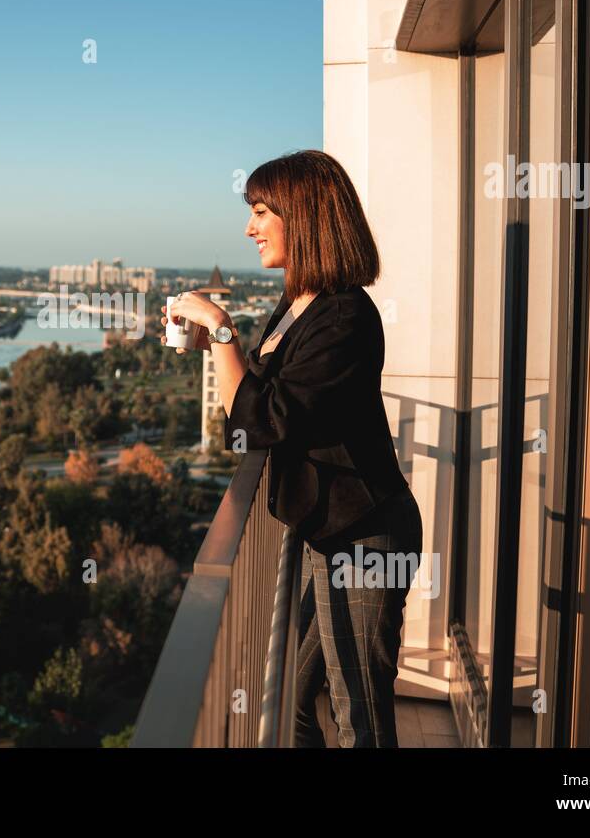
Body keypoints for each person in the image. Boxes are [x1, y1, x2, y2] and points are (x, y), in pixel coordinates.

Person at [160, 149, 423, 747]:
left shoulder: (346, 317)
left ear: (302, 216)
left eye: (260, 212)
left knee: (361, 717)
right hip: (322, 531)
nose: (249, 228)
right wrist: (214, 348)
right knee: (292, 704)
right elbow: (262, 399)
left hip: (364, 534)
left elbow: (266, 420)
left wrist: (224, 327)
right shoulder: (298, 304)